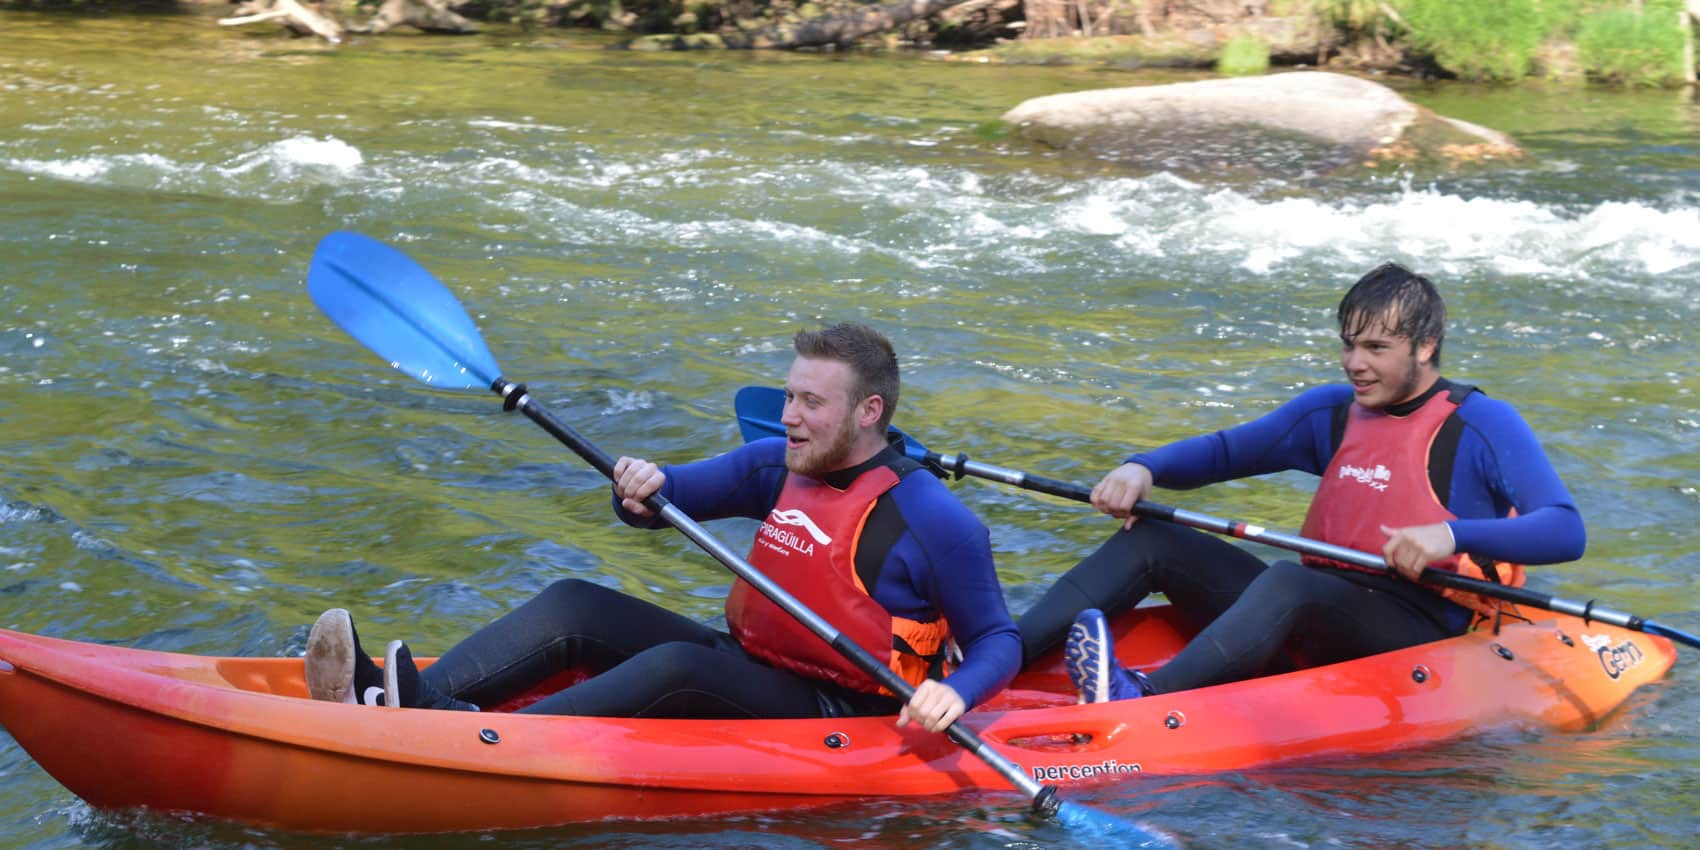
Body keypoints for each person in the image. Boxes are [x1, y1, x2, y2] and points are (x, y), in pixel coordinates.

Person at [303, 322, 1021, 732]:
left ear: (869, 413)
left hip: (844, 706)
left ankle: (478, 741)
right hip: (754, 663)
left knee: (675, 670)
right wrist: (642, 489)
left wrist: (954, 693)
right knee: (575, 602)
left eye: (811, 402)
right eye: (789, 395)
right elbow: (665, 499)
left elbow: (997, 638)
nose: (790, 415)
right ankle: (411, 704)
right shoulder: (777, 463)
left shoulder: (936, 519)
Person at [1015, 262, 1585, 702]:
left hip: (1418, 628)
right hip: (1314, 609)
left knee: (1290, 582)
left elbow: (1565, 530)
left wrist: (1451, 536)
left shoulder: (1482, 423)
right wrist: (1144, 467)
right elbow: (1224, 452)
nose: (1354, 363)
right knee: (1154, 538)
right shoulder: (1334, 413)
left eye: (1376, 348)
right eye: (1348, 343)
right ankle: (999, 654)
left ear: (1425, 346)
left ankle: (1144, 700)